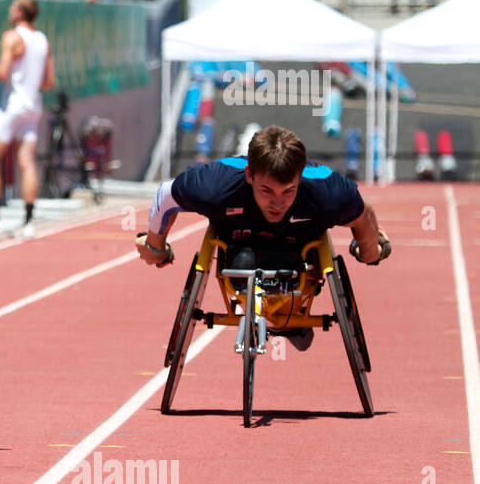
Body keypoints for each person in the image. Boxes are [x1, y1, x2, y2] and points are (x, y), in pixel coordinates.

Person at [137, 125, 391, 349]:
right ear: (249, 175)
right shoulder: (215, 184)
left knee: (355, 253)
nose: (277, 203)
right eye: (267, 190)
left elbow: (361, 211)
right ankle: (284, 321)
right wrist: (155, 246)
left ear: (300, 178)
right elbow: (165, 195)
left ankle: (290, 320)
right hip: (238, 246)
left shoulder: (327, 190)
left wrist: (369, 251)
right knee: (244, 260)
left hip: (299, 250)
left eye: (288, 191)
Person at [0, 0, 54, 225]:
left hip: (12, 104)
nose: (10, 11)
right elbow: (48, 82)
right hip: (33, 105)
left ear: (21, 12)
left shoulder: (12, 37)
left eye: (13, 7)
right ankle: (29, 218)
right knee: (26, 161)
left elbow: (2, 72)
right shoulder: (43, 40)